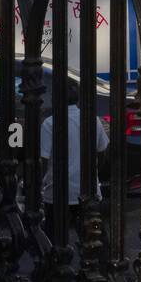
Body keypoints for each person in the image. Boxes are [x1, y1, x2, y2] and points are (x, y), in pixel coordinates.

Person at [40, 78, 108, 231]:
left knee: (54, 238)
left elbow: (43, 160)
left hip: (58, 191)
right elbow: (102, 151)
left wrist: (40, 183)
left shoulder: (50, 123)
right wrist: (94, 171)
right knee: (93, 237)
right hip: (88, 189)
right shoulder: (92, 120)